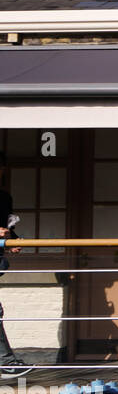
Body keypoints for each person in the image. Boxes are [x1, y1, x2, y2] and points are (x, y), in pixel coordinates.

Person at [1, 151, 33, 378]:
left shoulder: (3, 197)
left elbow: (5, 227)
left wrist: (12, 240)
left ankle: (6, 362)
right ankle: (6, 362)